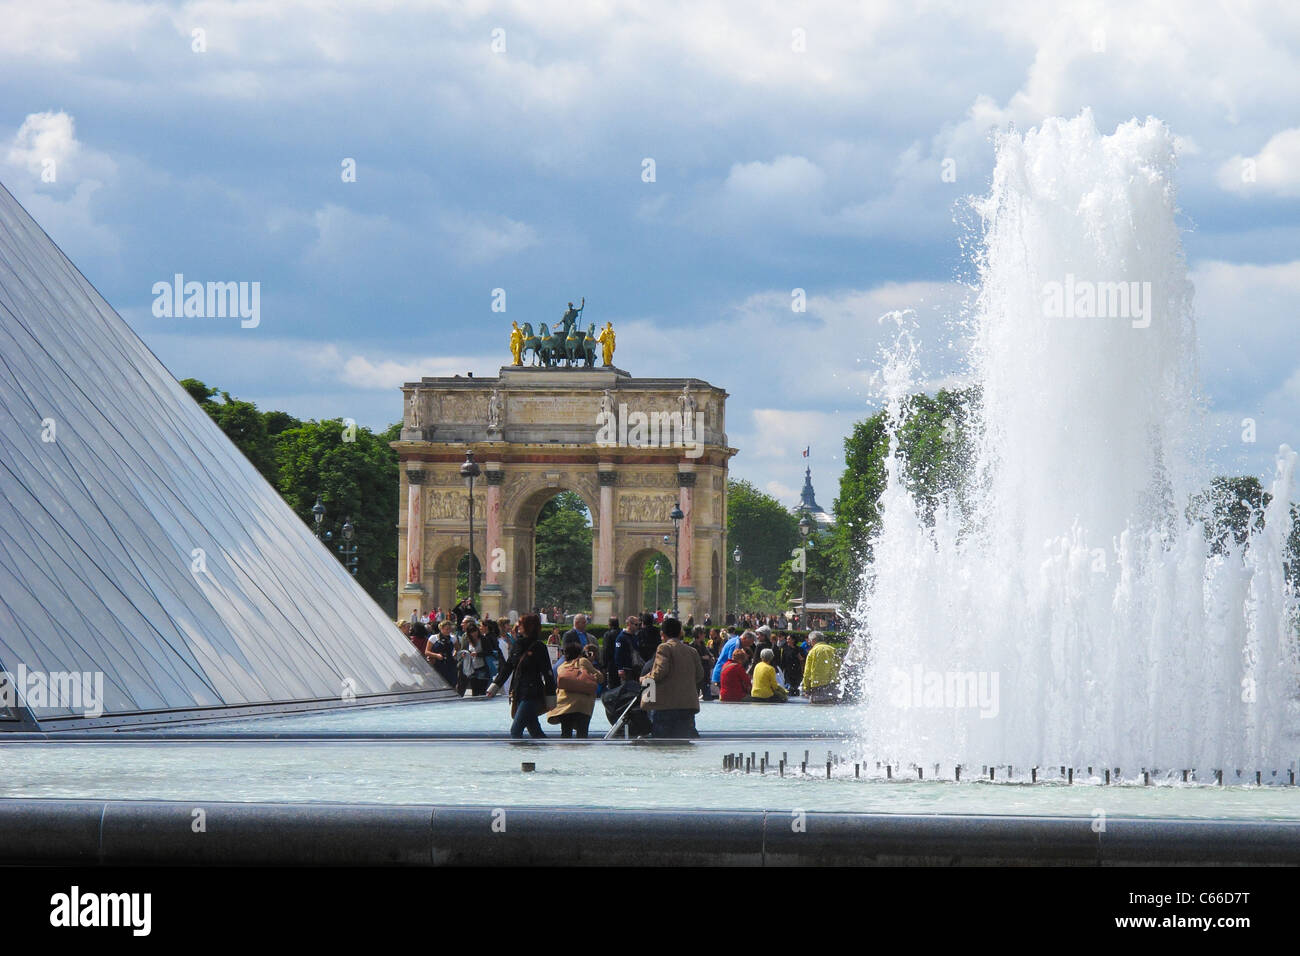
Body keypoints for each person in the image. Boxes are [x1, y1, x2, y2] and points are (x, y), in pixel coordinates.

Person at [487, 613, 557, 738]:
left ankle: (517, 756)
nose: (517, 625)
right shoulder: (517, 644)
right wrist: (495, 686)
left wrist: (551, 698)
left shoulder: (539, 646)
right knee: (535, 731)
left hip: (532, 694)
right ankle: (545, 755)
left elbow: (548, 673)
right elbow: (508, 667)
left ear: (529, 626)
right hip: (519, 692)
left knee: (515, 730)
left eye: (521, 623)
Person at [639, 617, 704, 738]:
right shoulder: (692, 651)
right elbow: (700, 674)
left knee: (663, 745)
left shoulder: (664, 648)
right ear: (680, 633)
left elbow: (659, 672)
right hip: (688, 704)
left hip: (666, 706)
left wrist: (644, 679)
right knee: (684, 745)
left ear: (662, 634)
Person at [548, 641, 604, 737]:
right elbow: (600, 678)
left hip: (564, 706)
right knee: (582, 735)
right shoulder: (583, 661)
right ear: (580, 653)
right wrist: (590, 661)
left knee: (566, 734)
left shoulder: (561, 666)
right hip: (582, 706)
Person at [802, 631, 840, 704]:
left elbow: (807, 672)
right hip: (833, 686)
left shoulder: (813, 652)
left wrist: (806, 688)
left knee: (816, 711)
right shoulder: (833, 649)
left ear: (813, 640)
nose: (810, 643)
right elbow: (838, 667)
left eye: (809, 641)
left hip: (818, 687)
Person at [425, 619, 457, 687]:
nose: (448, 631)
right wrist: (436, 655)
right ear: (441, 629)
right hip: (437, 664)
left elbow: (458, 649)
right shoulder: (433, 638)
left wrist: (454, 654)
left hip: (449, 664)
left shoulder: (453, 638)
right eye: (447, 629)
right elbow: (427, 652)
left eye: (450, 629)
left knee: (450, 684)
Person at [613, 615, 642, 685]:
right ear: (628, 624)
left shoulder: (635, 636)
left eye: (638, 624)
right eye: (636, 624)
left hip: (635, 668)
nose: (637, 626)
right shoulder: (621, 637)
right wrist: (620, 668)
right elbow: (618, 654)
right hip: (626, 669)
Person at [692, 626, 715, 701]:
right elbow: (692, 658)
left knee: (708, 698)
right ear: (699, 634)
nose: (705, 635)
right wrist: (702, 657)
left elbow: (709, 654)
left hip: (705, 674)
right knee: (694, 698)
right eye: (703, 633)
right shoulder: (692, 645)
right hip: (697, 675)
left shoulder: (703, 645)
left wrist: (711, 657)